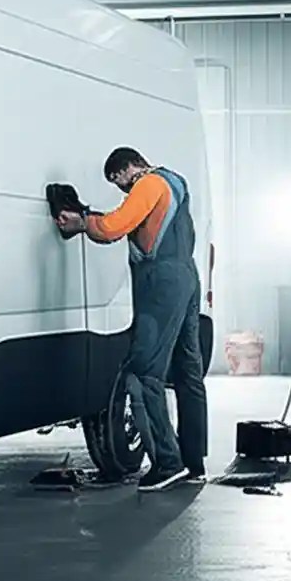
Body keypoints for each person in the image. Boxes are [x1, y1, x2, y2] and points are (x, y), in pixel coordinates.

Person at [55, 147, 207, 491]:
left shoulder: (147, 183)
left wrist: (82, 223)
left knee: (142, 374)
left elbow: (114, 226)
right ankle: (193, 462)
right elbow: (134, 218)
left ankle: (168, 464)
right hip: (187, 276)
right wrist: (90, 214)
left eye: (117, 180)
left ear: (127, 168)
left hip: (161, 283)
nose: (120, 188)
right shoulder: (175, 181)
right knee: (188, 372)